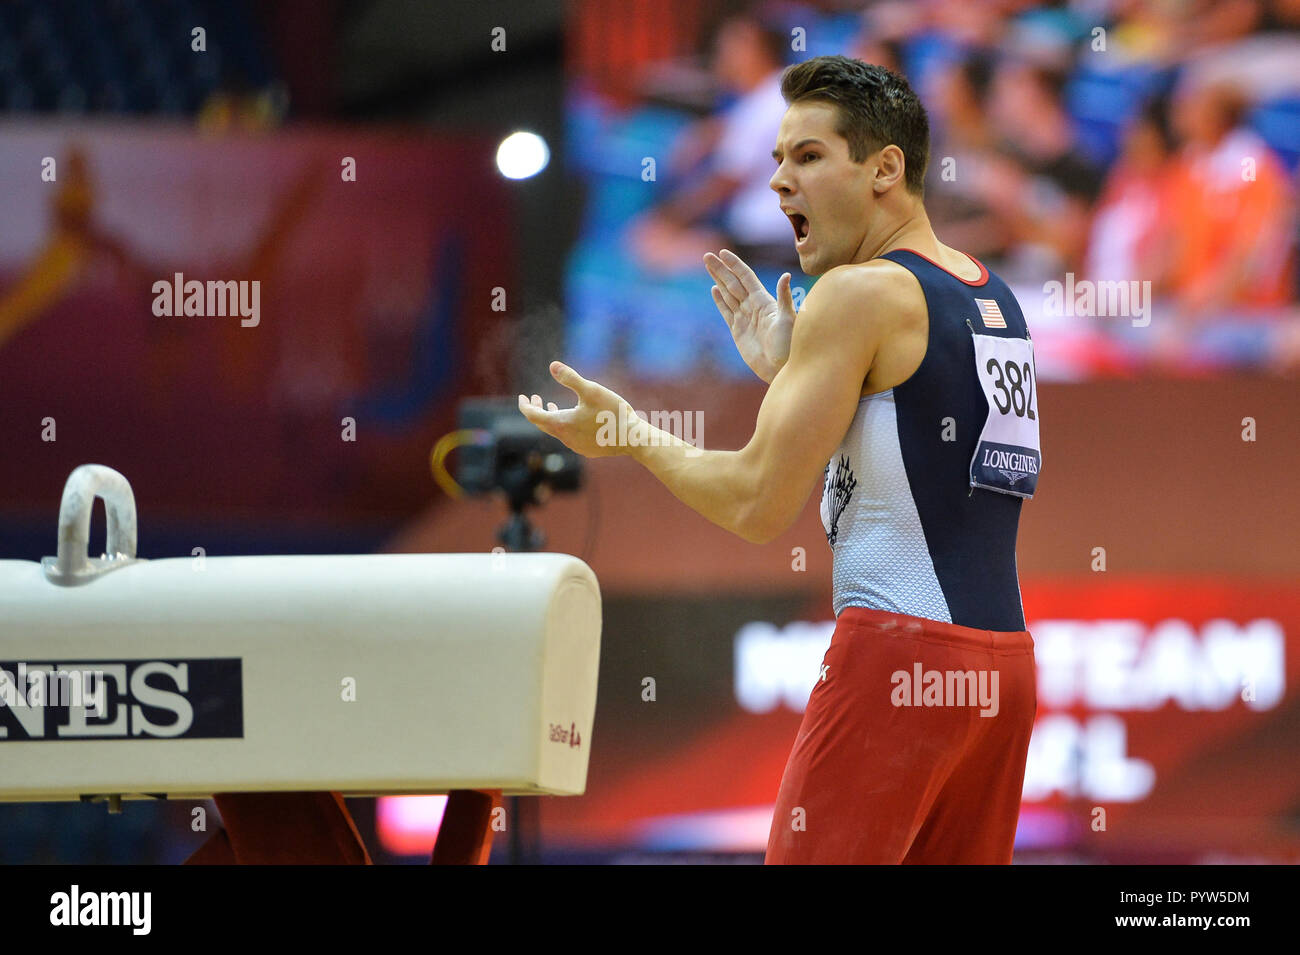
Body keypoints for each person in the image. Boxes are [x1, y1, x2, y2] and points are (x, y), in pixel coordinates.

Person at [519, 55, 1041, 864]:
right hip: (1001, 671)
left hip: (896, 656)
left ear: (884, 170)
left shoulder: (856, 293)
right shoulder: (992, 295)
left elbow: (756, 501)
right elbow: (920, 457)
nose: (778, 184)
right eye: (775, 160)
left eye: (807, 157)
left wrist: (629, 432)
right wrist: (794, 371)